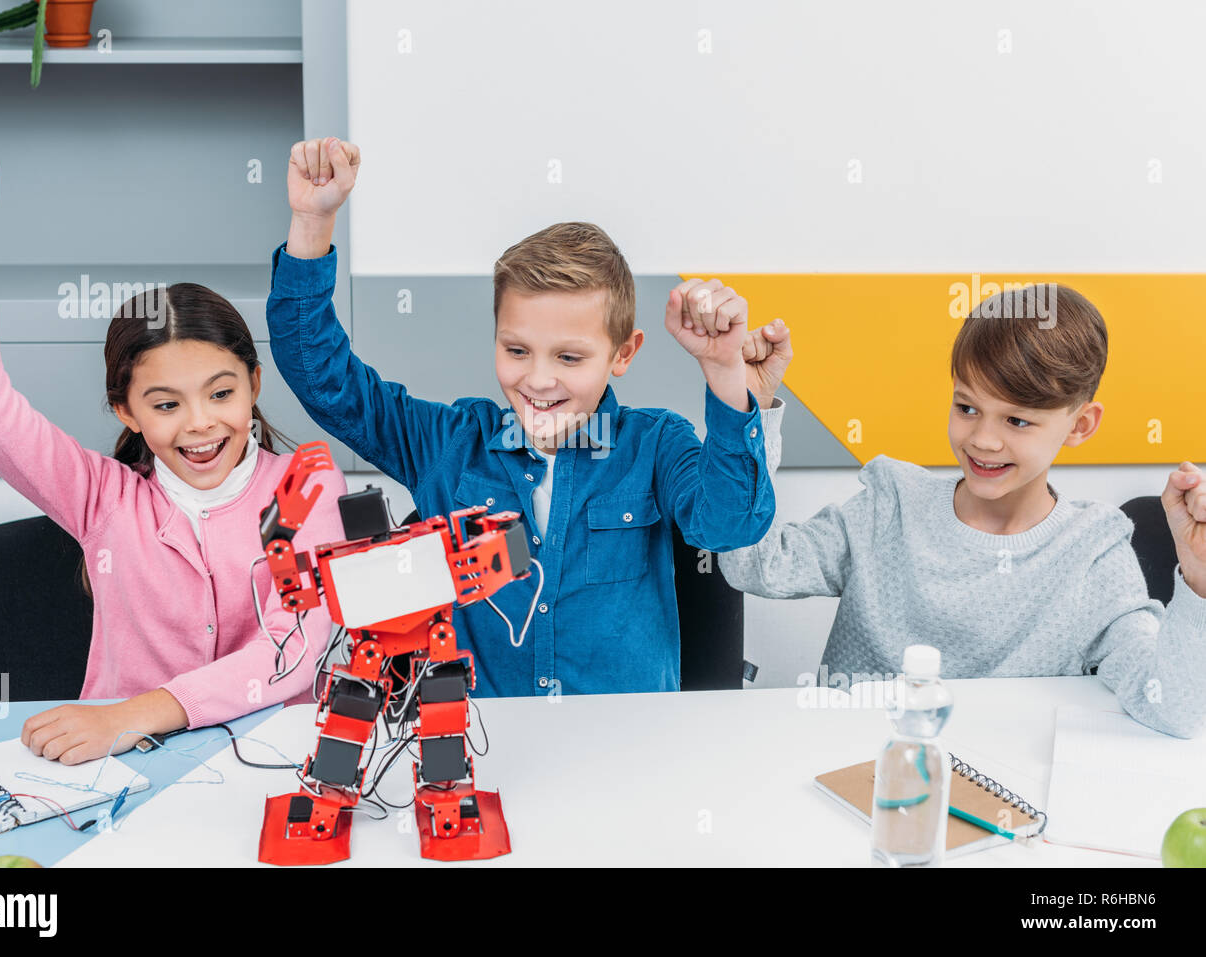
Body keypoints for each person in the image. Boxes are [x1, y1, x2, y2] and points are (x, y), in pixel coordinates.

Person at [265, 136, 776, 696]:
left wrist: (725, 373)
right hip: (486, 748)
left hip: (625, 748)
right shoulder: (448, 442)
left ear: (623, 354)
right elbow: (321, 376)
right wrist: (312, 221)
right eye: (516, 350)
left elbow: (731, 525)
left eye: (569, 357)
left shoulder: (656, 443)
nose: (537, 379)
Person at [0, 124, 345, 764]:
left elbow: (291, 652)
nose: (201, 424)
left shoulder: (310, 488)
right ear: (127, 410)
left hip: (274, 764)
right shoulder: (103, 497)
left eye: (222, 394)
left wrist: (136, 713)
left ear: (254, 385)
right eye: (167, 405)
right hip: (118, 769)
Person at [724, 283, 1206, 737]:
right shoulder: (891, 506)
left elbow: (1172, 709)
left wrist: (1199, 577)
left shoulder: (1093, 553)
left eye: (1017, 420)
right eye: (967, 408)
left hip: (1006, 796)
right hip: (863, 770)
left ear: (1080, 425)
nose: (982, 440)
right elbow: (753, 564)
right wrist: (751, 411)